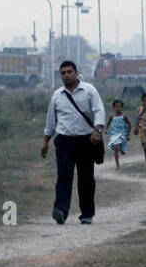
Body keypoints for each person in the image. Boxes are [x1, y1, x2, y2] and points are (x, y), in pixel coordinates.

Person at [41, 61, 105, 225]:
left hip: (86, 140)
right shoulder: (57, 95)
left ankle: (87, 214)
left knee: (86, 178)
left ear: (76, 73)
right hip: (64, 141)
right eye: (63, 73)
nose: (66, 75)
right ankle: (61, 210)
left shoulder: (89, 90)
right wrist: (46, 142)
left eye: (69, 72)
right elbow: (51, 121)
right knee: (63, 176)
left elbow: (99, 111)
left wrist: (97, 130)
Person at [107, 99, 130, 169]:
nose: (118, 108)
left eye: (119, 107)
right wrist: (106, 129)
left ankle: (121, 149)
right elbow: (108, 123)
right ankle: (117, 165)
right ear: (113, 108)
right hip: (114, 133)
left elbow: (129, 124)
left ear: (122, 107)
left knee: (122, 151)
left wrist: (128, 134)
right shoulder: (112, 116)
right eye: (116, 107)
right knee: (116, 147)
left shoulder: (124, 116)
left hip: (122, 133)